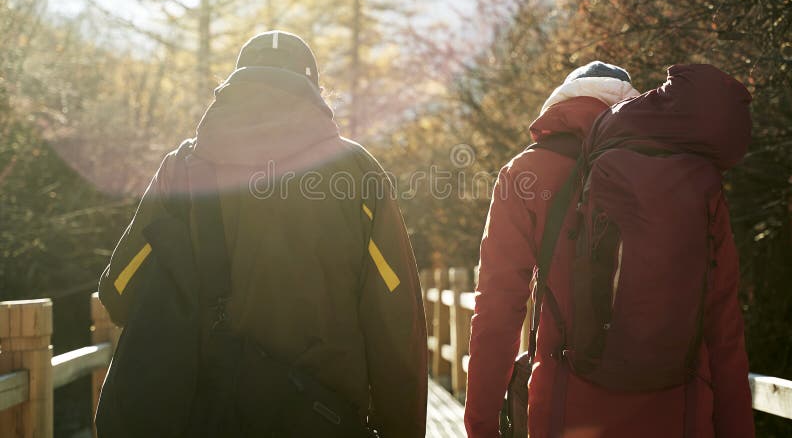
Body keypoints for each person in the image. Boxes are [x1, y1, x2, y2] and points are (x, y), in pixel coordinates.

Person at [98, 31, 428, 437]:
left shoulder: (181, 168)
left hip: (205, 416)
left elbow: (118, 291)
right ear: (314, 91)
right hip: (325, 419)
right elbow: (397, 323)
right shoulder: (358, 173)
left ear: (234, 85)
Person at [465, 62, 755, 437]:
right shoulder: (691, 174)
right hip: (678, 416)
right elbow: (724, 326)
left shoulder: (526, 173)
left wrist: (481, 425)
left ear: (560, 102)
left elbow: (496, 309)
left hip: (566, 416)